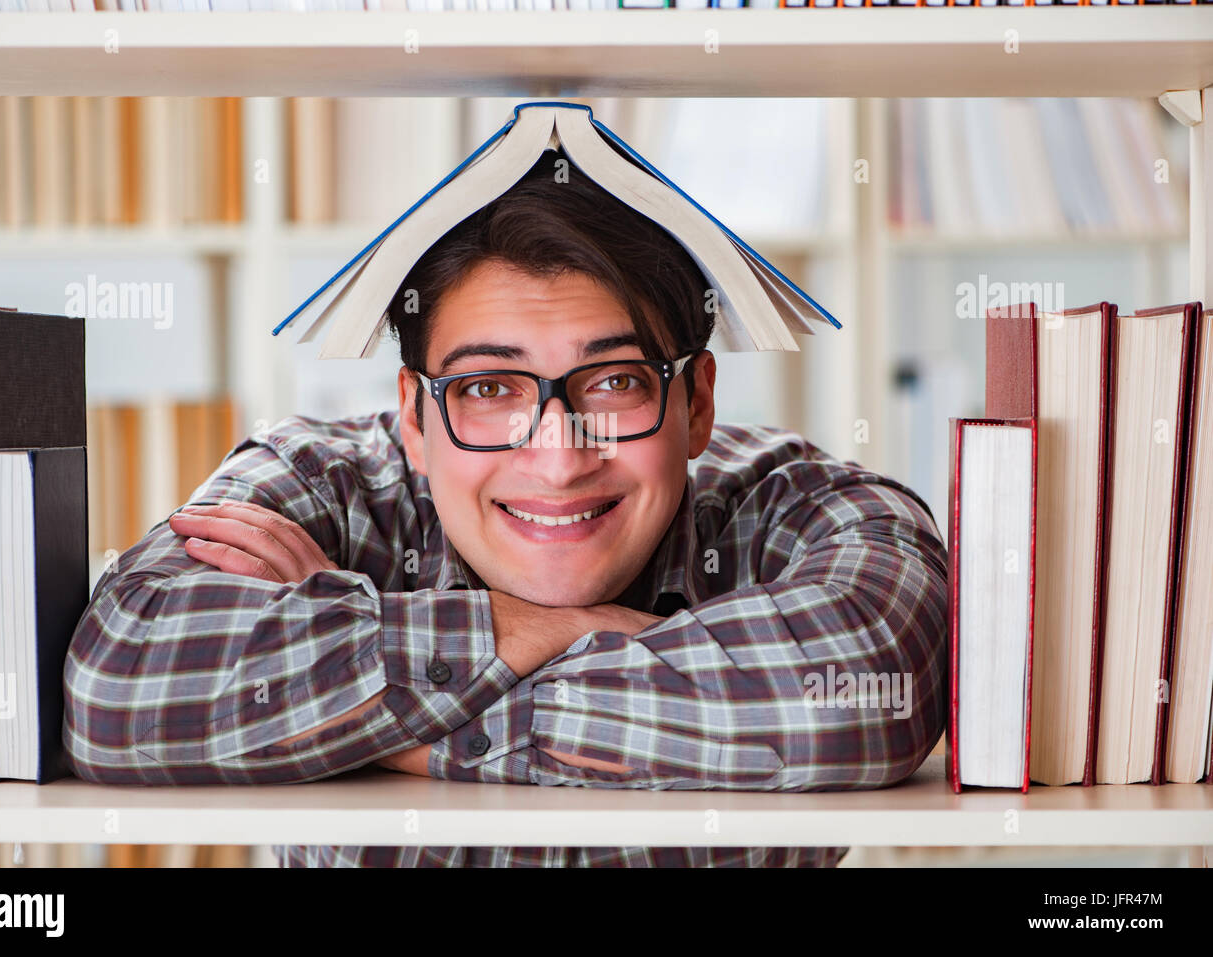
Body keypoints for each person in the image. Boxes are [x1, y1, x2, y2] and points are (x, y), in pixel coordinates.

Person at [63, 150, 948, 867]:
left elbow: (874, 688)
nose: (559, 457)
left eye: (614, 381)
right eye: (489, 386)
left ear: (698, 403)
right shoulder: (322, 481)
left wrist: (371, 714)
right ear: (412, 414)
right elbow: (118, 685)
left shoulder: (796, 505)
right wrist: (543, 628)